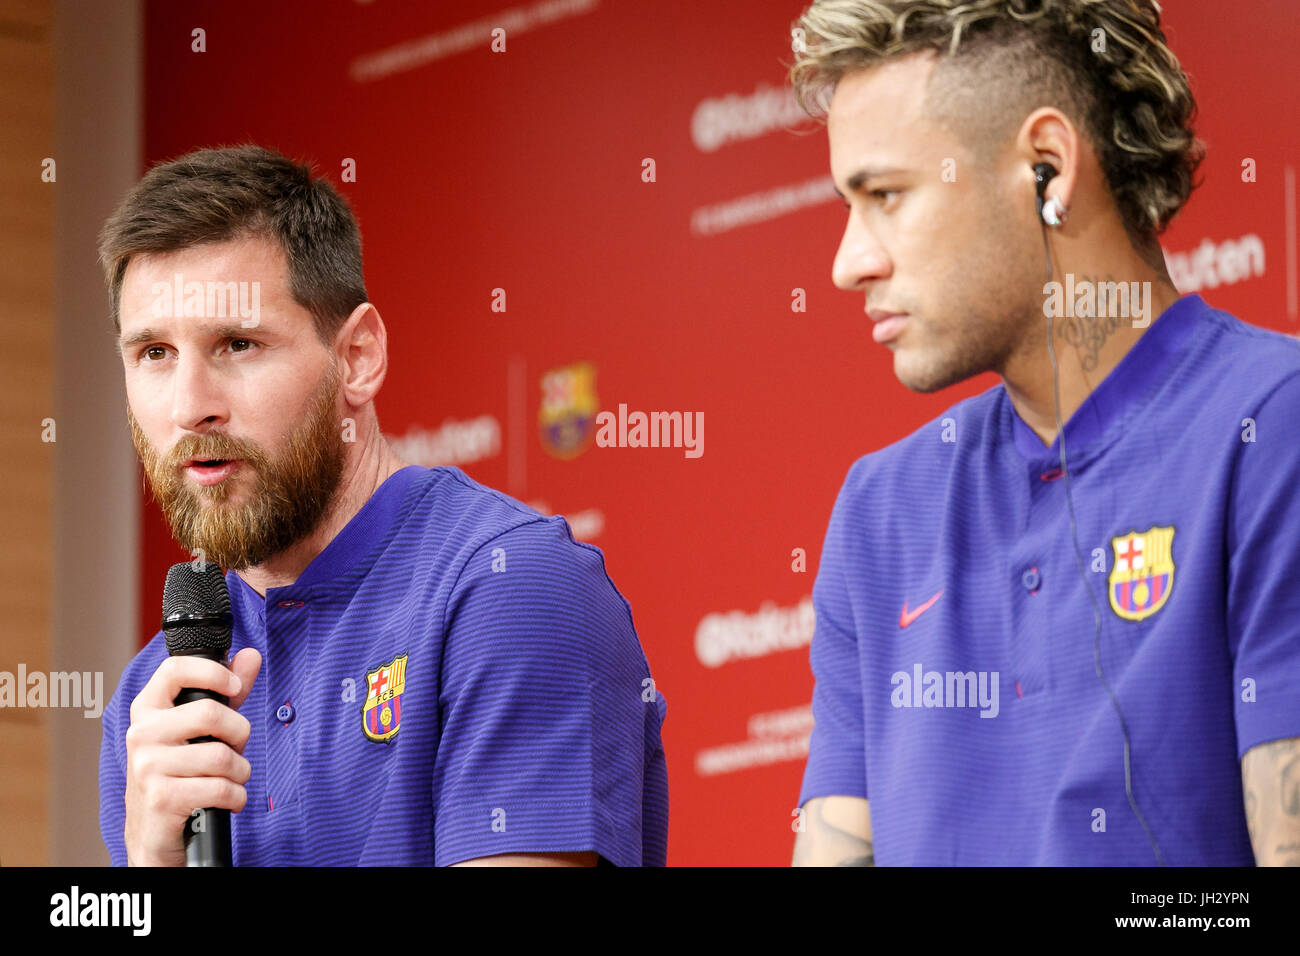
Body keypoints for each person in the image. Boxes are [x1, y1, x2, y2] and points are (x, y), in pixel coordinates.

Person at [788, 0, 1300, 865]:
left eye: (885, 196)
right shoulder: (880, 512)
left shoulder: (1271, 428)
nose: (848, 263)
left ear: (1046, 170)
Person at [97, 144, 668, 866]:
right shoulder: (156, 699)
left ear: (358, 357)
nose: (188, 408)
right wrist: (152, 868)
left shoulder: (508, 588)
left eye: (237, 344)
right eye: (153, 354)